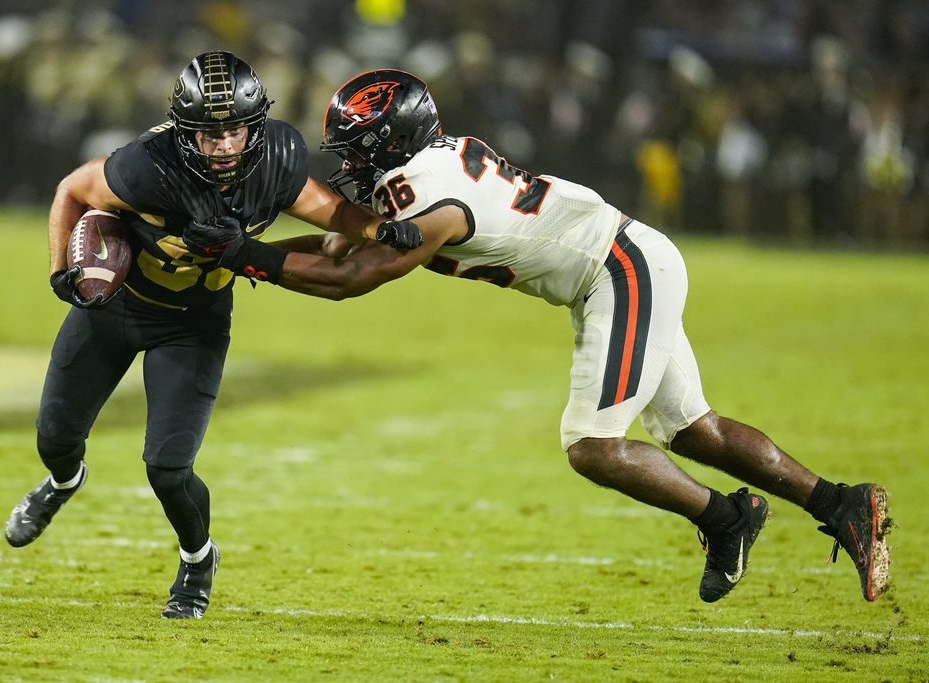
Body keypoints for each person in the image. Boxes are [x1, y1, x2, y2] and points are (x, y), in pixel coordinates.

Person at [202, 69, 893, 603]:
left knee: (592, 446)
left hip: (618, 273)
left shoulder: (429, 196)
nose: (346, 166)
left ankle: (727, 518)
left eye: (356, 150)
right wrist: (241, 248)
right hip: (624, 260)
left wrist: (238, 255)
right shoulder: (425, 170)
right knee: (691, 429)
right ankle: (841, 503)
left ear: (391, 143)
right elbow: (336, 245)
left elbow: (352, 275)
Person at [4, 52, 419, 620]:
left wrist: (377, 226)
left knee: (168, 468)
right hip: (115, 310)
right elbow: (71, 191)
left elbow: (332, 214)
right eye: (209, 133)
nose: (224, 144)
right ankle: (63, 478)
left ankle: (198, 560)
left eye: (234, 130)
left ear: (254, 124)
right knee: (54, 437)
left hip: (193, 323)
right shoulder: (147, 167)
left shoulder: (275, 156)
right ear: (184, 130)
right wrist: (61, 274)